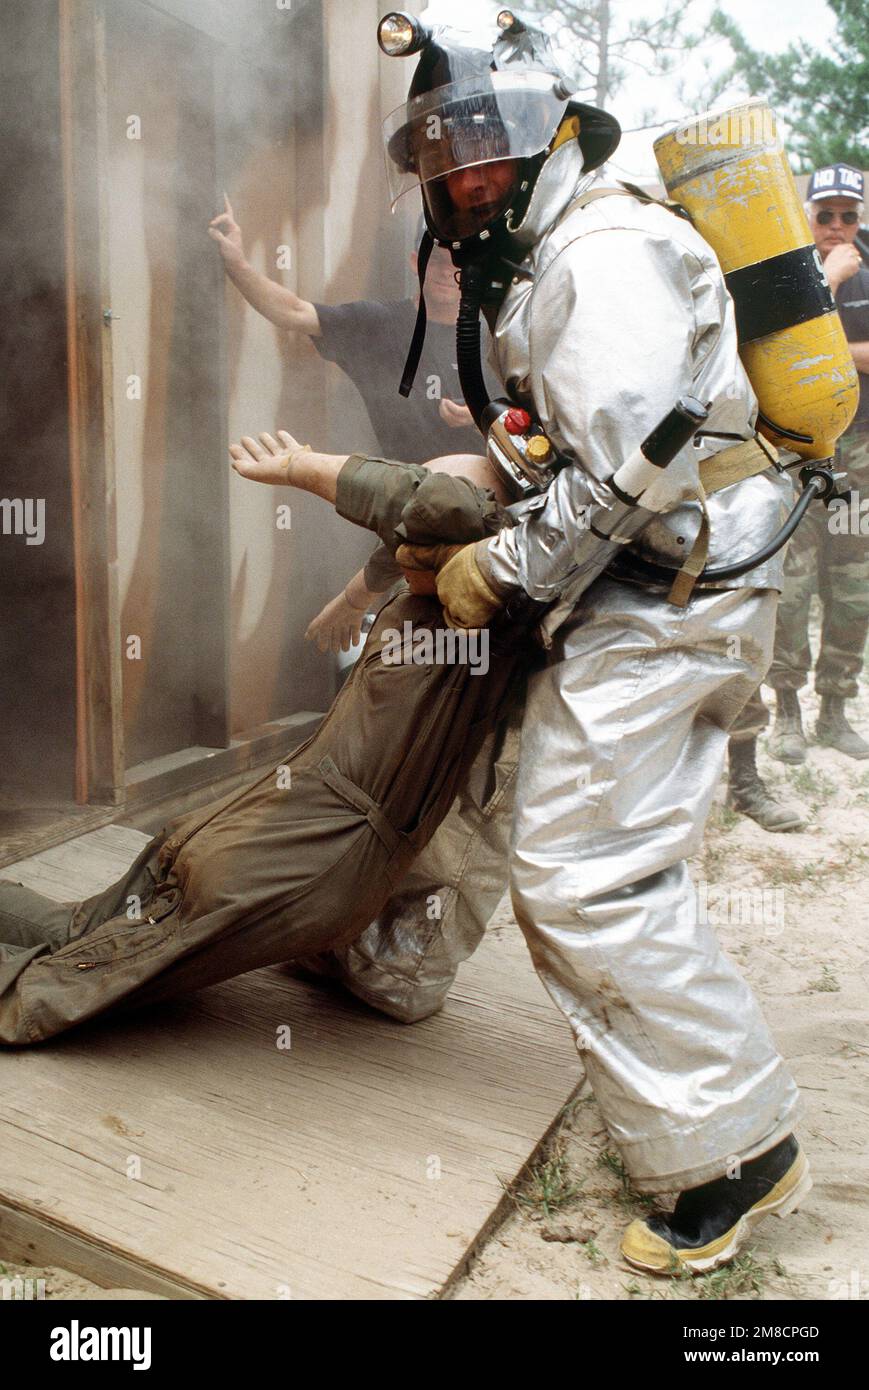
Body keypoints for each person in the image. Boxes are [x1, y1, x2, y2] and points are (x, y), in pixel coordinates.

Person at [357, 11, 812, 1275]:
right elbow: (566, 437)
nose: (464, 180)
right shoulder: (554, 248)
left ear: (556, 129)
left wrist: (488, 566)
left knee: (585, 874)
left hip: (671, 596)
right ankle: (387, 966)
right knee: (504, 797)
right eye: (441, 158)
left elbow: (618, 467)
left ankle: (733, 1154)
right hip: (647, 586)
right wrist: (487, 488)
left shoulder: (597, 253)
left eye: (484, 151)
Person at [209, 201, 498, 653]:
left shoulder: (502, 337)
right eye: (437, 258)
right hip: (399, 529)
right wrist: (237, 262)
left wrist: (486, 425)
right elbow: (294, 313)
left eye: (460, 261)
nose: (448, 271)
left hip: (488, 535)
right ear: (414, 263)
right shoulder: (381, 325)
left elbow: (539, 446)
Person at [768, 164, 869, 763]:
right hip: (801, 449)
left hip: (862, 449)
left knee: (853, 583)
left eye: (848, 216)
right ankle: (785, 712)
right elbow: (775, 351)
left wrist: (830, 346)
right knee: (795, 584)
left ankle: (834, 707)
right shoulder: (790, 269)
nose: (837, 227)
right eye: (825, 215)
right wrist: (826, 284)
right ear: (808, 217)